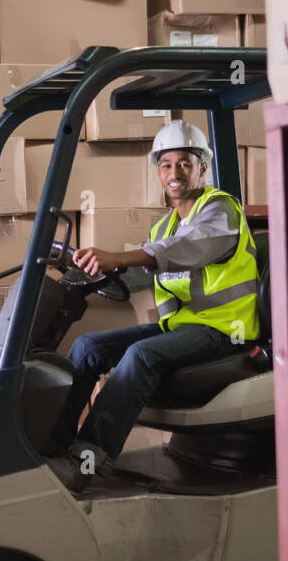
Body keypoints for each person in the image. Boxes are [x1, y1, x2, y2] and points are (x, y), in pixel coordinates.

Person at [47, 120, 260, 492]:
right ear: (158, 171)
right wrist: (85, 273)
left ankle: (87, 459)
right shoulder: (165, 228)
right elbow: (142, 275)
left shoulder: (220, 210)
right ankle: (52, 449)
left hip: (225, 332)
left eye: (184, 163)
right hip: (181, 329)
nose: (174, 173)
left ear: (202, 167)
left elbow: (182, 252)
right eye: (166, 165)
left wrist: (118, 257)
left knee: (141, 355)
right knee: (87, 347)